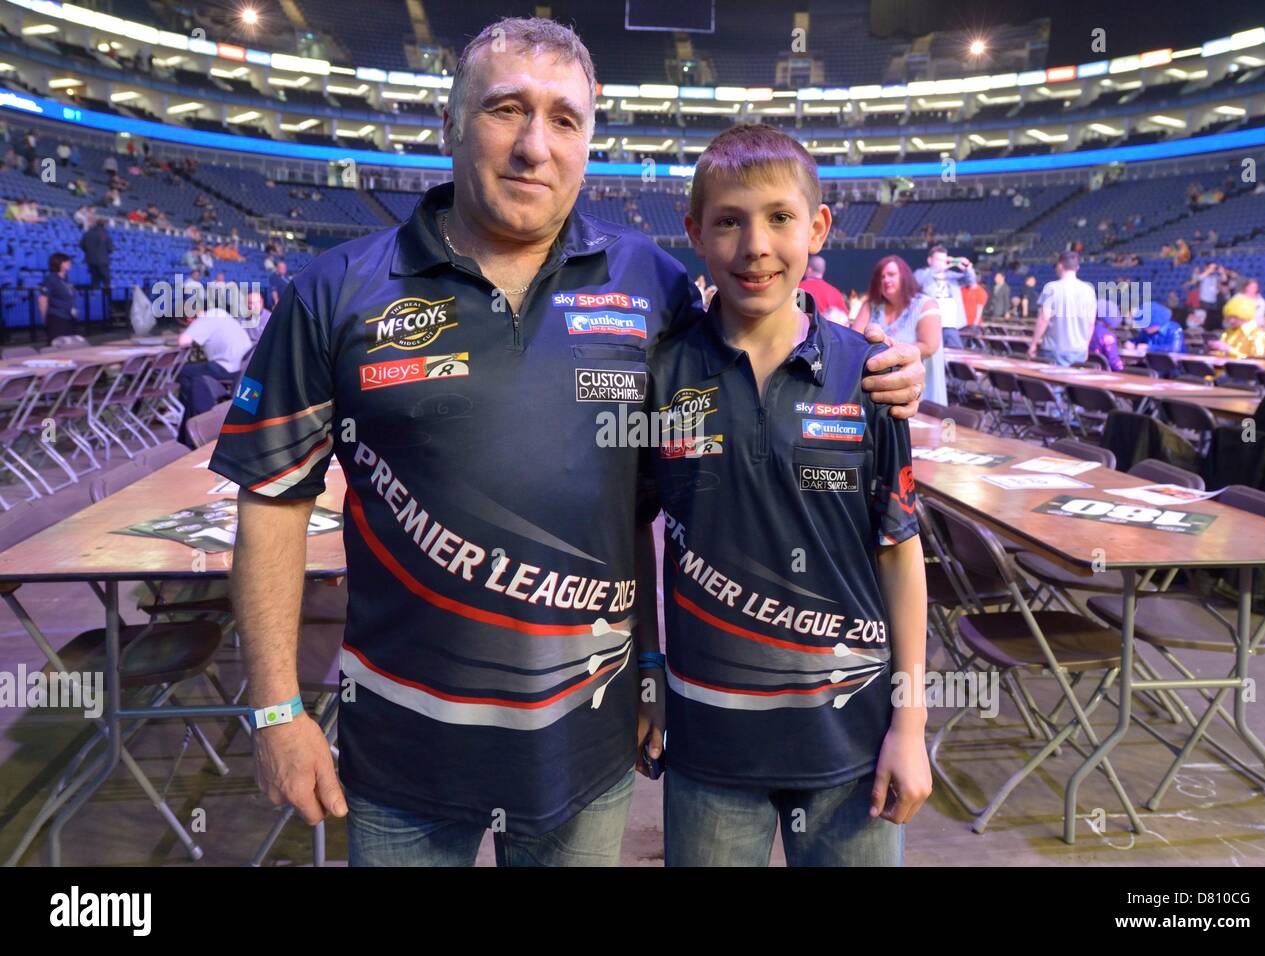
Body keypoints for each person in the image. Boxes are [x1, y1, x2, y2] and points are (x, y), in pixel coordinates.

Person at [206, 17, 925, 869]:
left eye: (564, 120)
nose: (533, 147)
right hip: (401, 756)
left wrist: (876, 371)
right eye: (506, 110)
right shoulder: (335, 292)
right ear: (452, 124)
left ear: (589, 142)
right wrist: (277, 713)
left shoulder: (652, 286)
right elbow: (273, 499)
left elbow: (734, 388)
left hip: (586, 753)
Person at [645, 123, 929, 867]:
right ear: (695, 234)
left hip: (852, 744)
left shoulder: (871, 376)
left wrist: (910, 725)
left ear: (818, 227)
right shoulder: (661, 376)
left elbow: (899, 556)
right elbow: (621, 535)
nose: (755, 246)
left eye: (778, 218)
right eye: (729, 221)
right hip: (710, 745)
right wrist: (647, 671)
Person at [854, 255, 945, 404]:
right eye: (881, 277)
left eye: (891, 275)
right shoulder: (871, 305)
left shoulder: (926, 304)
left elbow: (929, 346)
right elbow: (855, 340)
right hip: (877, 388)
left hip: (918, 389)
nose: (886, 280)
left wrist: (885, 350)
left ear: (905, 277)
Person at [175, 306, 252, 443]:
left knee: (182, 371)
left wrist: (189, 331)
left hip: (227, 366)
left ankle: (192, 410)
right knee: (196, 372)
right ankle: (194, 408)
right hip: (242, 365)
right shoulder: (219, 312)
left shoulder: (204, 319)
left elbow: (183, 341)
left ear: (189, 319)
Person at [1029, 250, 1096, 366]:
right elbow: (1091, 323)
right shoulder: (1089, 290)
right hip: (1079, 350)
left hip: (1053, 349)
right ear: (1077, 267)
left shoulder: (1051, 288)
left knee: (1052, 383)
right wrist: (1085, 346)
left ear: (1060, 266)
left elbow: (1043, 319)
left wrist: (1033, 343)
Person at [912, 244, 975, 349]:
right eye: (938, 260)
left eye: (944, 260)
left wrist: (967, 266)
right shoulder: (922, 274)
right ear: (930, 260)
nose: (941, 263)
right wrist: (936, 270)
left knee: (956, 353)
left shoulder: (952, 276)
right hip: (930, 322)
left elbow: (971, 281)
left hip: (949, 323)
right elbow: (917, 280)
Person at [1210, 293, 1265, 359]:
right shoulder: (1229, 332)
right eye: (1229, 317)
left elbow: (1258, 360)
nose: (1231, 321)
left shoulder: (1259, 335)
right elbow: (1222, 354)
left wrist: (1230, 350)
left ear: (1245, 315)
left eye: (1235, 317)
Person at [797, 254, 849, 325]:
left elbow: (796, 315)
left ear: (809, 269)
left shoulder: (800, 288)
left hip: (806, 333)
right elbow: (845, 318)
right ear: (823, 270)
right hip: (828, 333)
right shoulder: (835, 292)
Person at [37, 252, 78, 342]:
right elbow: (42, 300)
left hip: (69, 318)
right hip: (57, 318)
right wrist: (45, 319)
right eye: (66, 261)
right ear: (58, 263)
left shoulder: (66, 279)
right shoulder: (51, 279)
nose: (69, 263)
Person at [80, 213, 113, 290]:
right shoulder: (105, 235)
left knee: (95, 281)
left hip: (91, 261)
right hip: (103, 261)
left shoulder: (88, 233)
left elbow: (81, 245)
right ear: (103, 225)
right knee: (106, 281)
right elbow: (110, 249)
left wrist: (89, 252)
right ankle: (106, 298)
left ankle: (96, 299)